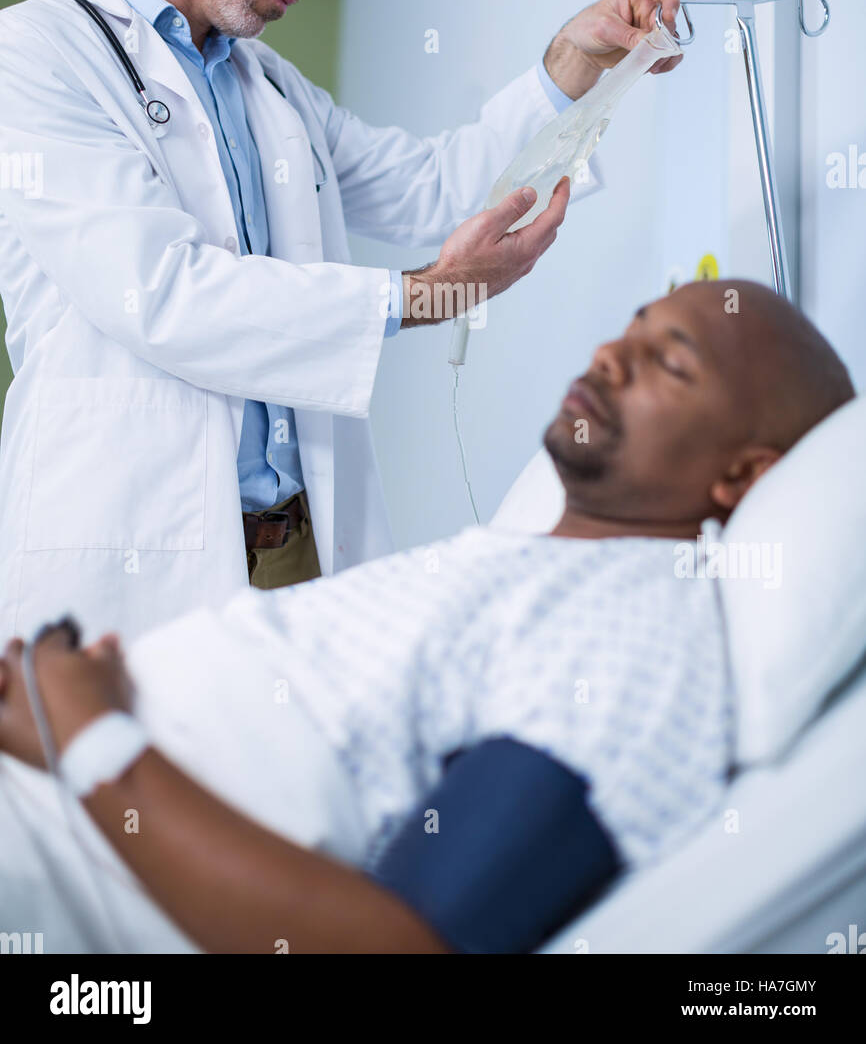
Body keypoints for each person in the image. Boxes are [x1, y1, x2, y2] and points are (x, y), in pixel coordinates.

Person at [0, 0, 682, 642]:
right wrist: (428, 295)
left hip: (299, 552)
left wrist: (574, 63)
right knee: (130, 779)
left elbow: (432, 187)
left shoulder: (271, 86)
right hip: (134, 557)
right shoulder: (37, 54)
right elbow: (161, 294)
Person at [0, 280, 853, 955]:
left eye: (671, 362)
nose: (611, 353)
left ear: (743, 475)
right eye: (633, 323)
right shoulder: (538, 565)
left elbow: (403, 946)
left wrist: (89, 735)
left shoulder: (640, 634)